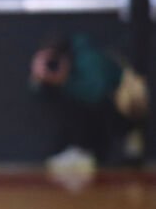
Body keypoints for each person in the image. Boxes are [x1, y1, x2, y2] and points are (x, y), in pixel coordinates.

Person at [29, 31, 148, 170]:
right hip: (91, 115)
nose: (53, 63)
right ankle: (76, 150)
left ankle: (102, 152)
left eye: (54, 58)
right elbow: (37, 92)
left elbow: (97, 93)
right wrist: (37, 76)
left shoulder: (88, 58)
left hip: (117, 110)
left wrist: (64, 80)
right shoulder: (57, 72)